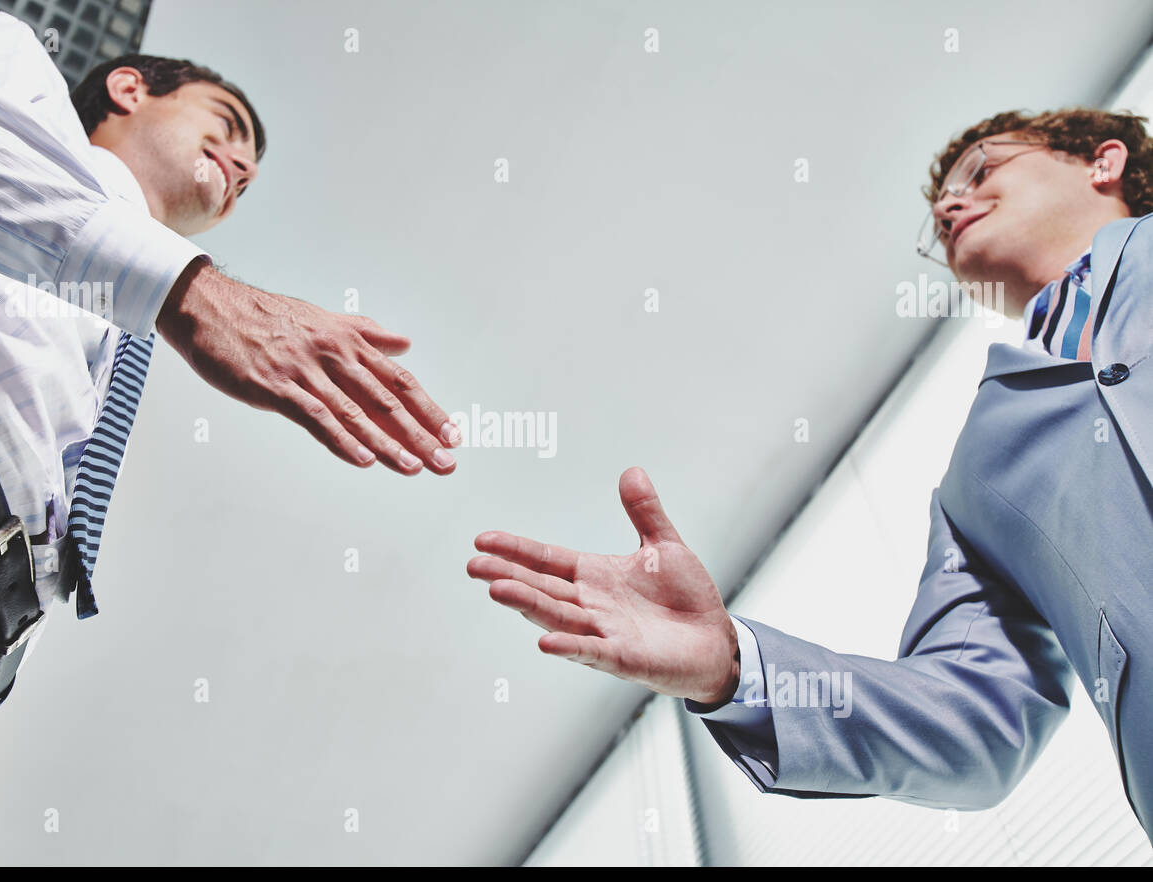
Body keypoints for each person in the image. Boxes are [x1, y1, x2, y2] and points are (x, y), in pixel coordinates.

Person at [0, 0, 459, 865]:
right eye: (229, 125)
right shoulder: (10, 61)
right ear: (129, 86)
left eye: (250, 176)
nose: (243, 166)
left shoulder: (121, 345)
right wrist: (182, 286)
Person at [468, 106, 1153, 844]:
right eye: (937, 213)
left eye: (981, 172)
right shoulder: (974, 480)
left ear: (1102, 162)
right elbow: (972, 724)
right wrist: (734, 666)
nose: (950, 207)